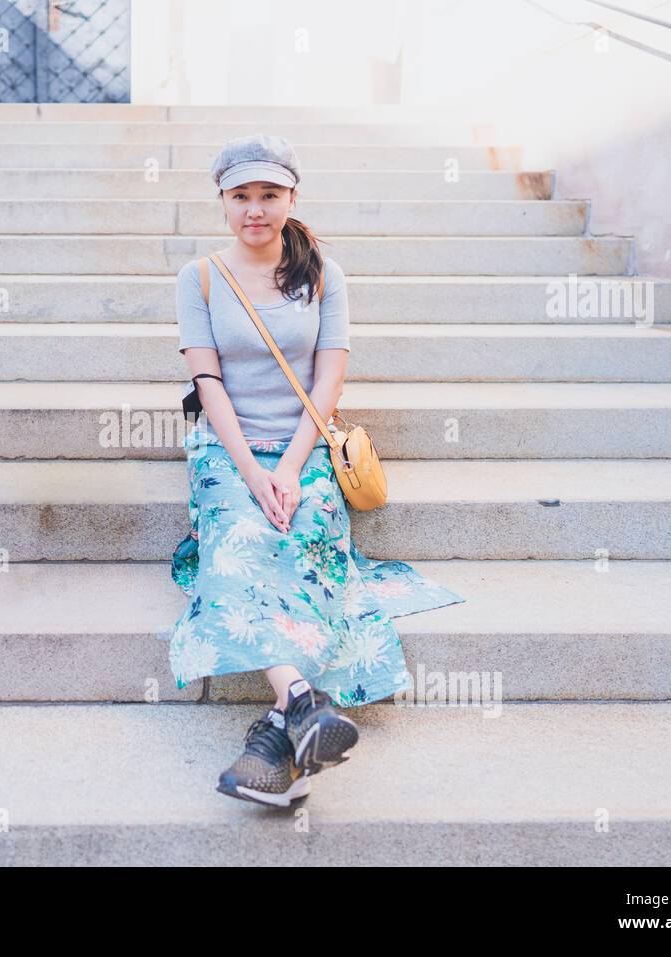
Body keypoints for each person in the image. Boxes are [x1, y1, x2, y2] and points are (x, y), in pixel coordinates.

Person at [162, 133, 465, 808]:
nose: (255, 210)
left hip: (305, 449)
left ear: (291, 197)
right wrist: (251, 471)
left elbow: (329, 378)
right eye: (241, 196)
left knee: (308, 544)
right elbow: (207, 381)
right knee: (240, 542)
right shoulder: (200, 278)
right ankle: (301, 700)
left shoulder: (323, 272)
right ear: (223, 201)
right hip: (227, 450)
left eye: (268, 195)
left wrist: (293, 469)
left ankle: (278, 733)